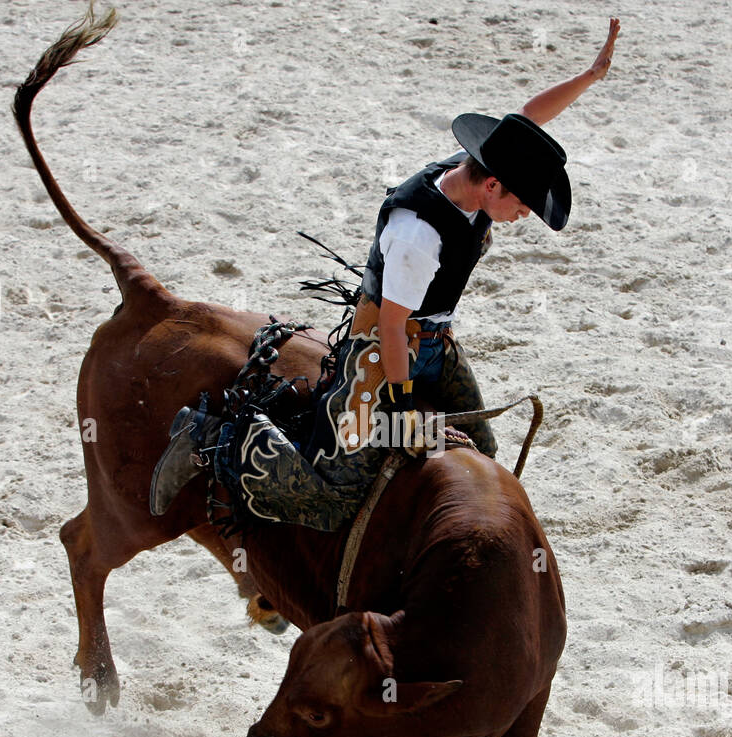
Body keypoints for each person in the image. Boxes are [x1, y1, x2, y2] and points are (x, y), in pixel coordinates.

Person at [151, 20, 622, 529]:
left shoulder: (477, 172)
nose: (524, 214)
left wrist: (590, 76)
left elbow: (527, 118)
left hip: (435, 343)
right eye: (523, 204)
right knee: (332, 499)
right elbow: (393, 326)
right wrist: (400, 409)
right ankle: (212, 438)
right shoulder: (418, 236)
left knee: (484, 453)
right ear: (491, 185)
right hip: (380, 351)